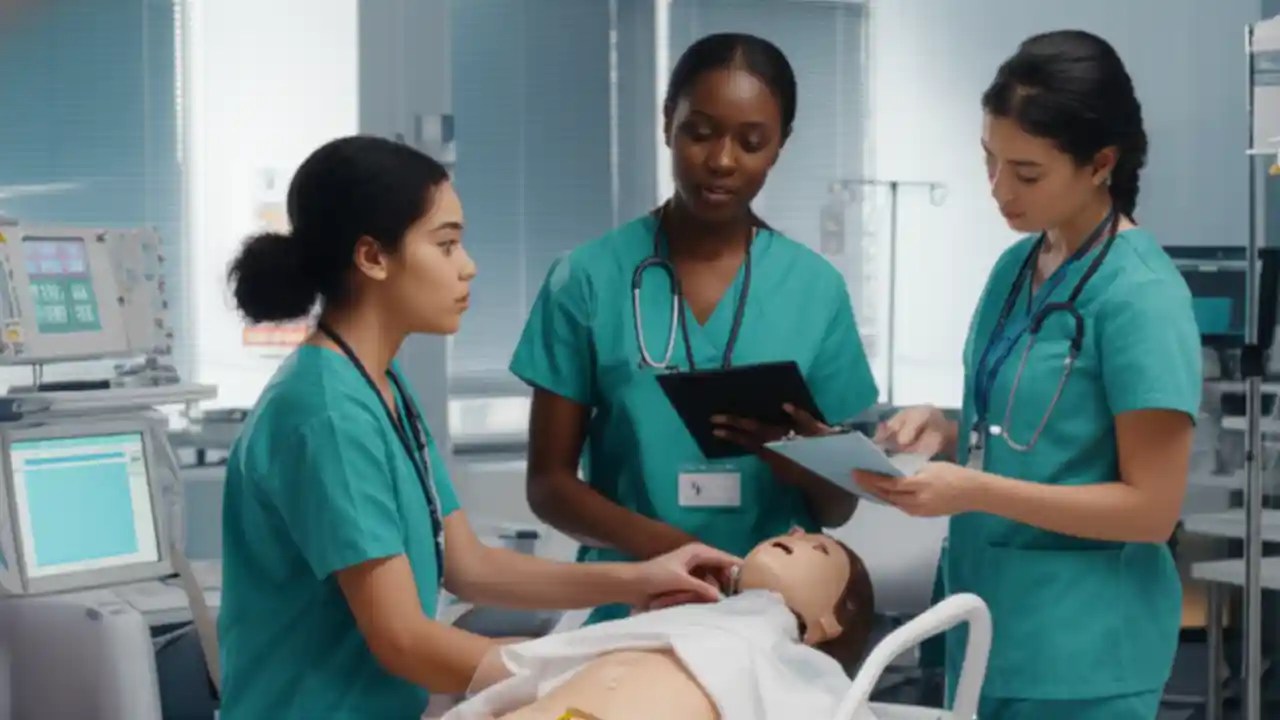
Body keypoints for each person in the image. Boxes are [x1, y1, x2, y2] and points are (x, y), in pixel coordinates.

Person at [216, 135, 742, 719]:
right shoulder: (325, 412)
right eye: (445, 246)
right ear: (372, 257)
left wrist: (641, 580)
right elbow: (403, 640)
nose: (468, 266)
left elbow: (469, 566)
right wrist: (576, 670)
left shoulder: (381, 386)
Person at [858, 30, 1201, 720]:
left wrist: (975, 489)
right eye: (989, 161)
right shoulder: (1017, 270)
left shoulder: (1142, 296)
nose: (998, 190)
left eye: (1027, 172)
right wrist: (945, 431)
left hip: (1085, 650)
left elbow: (1151, 508)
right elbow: (1034, 438)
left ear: (1101, 162)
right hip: (988, 627)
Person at [510, 31, 880, 626]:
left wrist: (800, 459)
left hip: (777, 615)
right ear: (667, 123)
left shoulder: (815, 289)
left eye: (751, 141)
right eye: (700, 132)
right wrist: (674, 555)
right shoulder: (586, 278)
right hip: (634, 603)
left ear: (781, 146)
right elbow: (549, 483)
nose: (722, 160)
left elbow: (836, 510)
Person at [443, 530, 875, 720]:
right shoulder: (670, 620)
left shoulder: (802, 673)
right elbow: (529, 664)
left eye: (817, 548)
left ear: (829, 623)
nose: (796, 534)